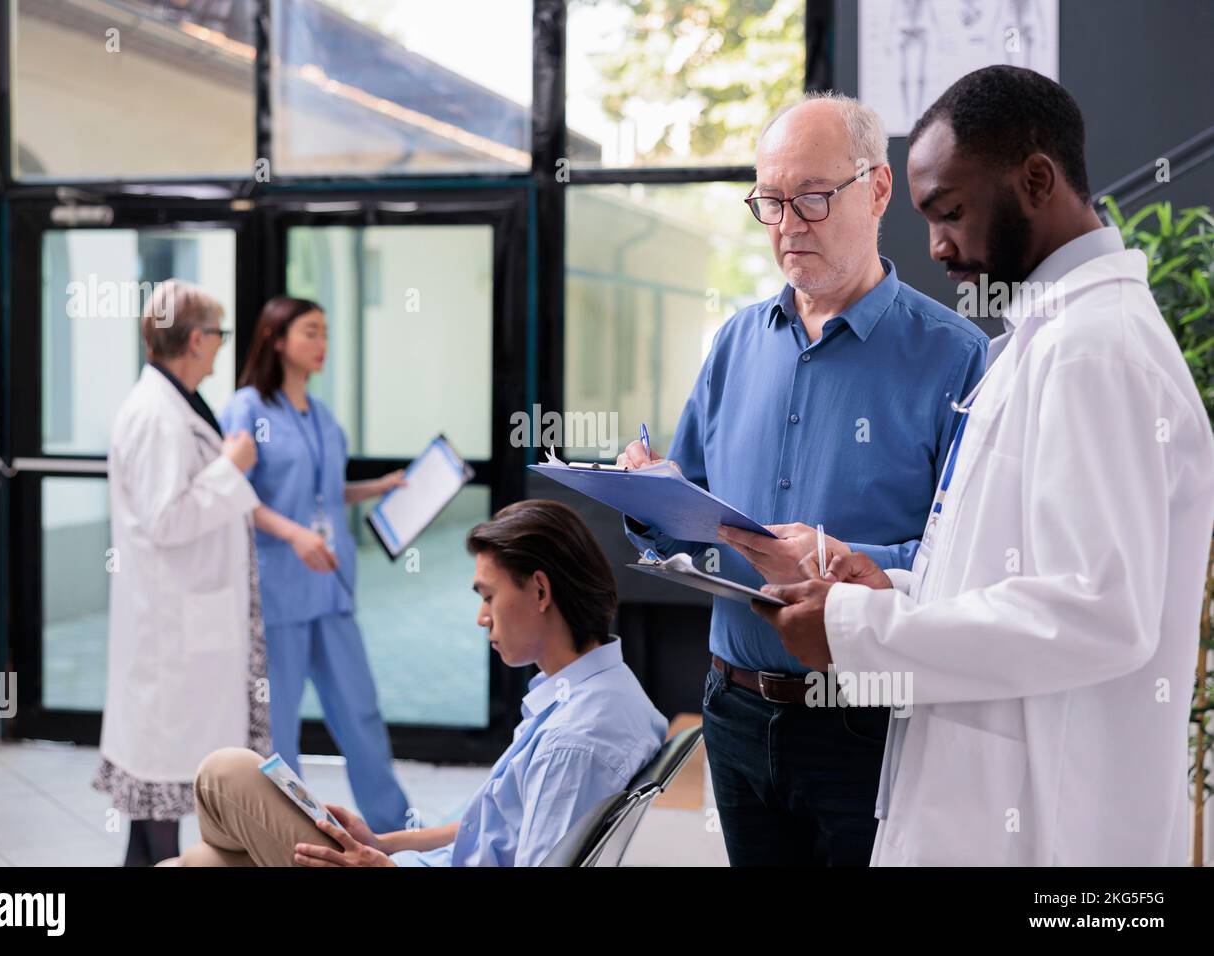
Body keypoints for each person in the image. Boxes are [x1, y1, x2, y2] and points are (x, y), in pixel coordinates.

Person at [753, 66, 1214, 866]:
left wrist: (858, 631)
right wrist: (887, 588)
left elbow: (1099, 612)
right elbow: (1013, 571)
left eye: (951, 213)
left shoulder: (1095, 349)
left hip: (1055, 838)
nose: (935, 247)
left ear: (1036, 180)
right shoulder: (1046, 337)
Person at [617, 92, 987, 866]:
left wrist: (837, 559)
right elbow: (694, 508)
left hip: (866, 720)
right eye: (772, 202)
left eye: (812, 198)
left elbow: (970, 563)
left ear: (878, 189)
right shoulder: (734, 344)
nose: (788, 225)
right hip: (732, 705)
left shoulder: (955, 357)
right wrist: (650, 494)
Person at [177, 500, 668, 867]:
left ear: (540, 591)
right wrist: (381, 843)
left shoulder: (572, 744)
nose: (481, 618)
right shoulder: (606, 692)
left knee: (226, 772)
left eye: (488, 596)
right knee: (199, 863)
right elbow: (495, 830)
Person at [94, 279, 269, 866]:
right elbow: (166, 519)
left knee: (155, 812)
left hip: (186, 626)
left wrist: (223, 469)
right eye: (219, 335)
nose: (222, 347)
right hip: (172, 638)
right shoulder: (155, 416)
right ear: (196, 339)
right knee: (160, 799)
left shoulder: (177, 403)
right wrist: (231, 466)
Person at [221, 297, 410, 832]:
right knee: (278, 729)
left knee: (361, 713)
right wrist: (294, 534)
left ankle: (394, 832)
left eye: (325, 332)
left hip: (330, 587)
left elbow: (322, 494)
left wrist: (378, 488)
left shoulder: (323, 417)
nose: (321, 343)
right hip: (279, 588)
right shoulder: (247, 410)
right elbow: (234, 493)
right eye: (310, 333)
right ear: (276, 339)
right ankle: (287, 834)